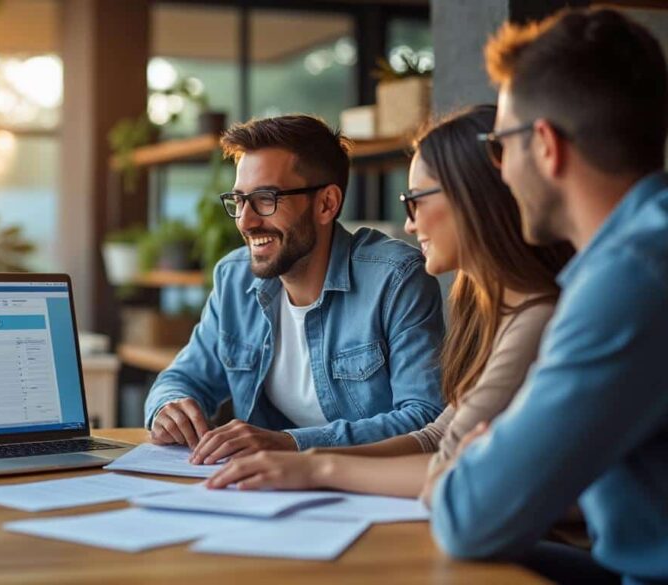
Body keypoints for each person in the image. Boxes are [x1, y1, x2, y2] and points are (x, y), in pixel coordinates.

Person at [206, 105, 574, 496]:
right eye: (240, 201)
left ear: (473, 200)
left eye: (416, 200)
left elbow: (451, 475)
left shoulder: (536, 318)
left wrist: (316, 465)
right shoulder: (494, 315)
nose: (411, 224)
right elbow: (436, 437)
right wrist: (306, 460)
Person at [422, 9, 668, 583]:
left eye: (499, 146)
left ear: (545, 145)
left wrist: (471, 463)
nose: (500, 172)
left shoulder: (629, 279)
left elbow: (470, 515)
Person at [144, 114, 446, 462]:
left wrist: (289, 444)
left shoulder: (395, 279)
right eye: (239, 200)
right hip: (271, 491)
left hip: (368, 490)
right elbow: (183, 377)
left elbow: (424, 419)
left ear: (326, 204)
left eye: (266, 199)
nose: (245, 220)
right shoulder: (233, 278)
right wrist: (169, 406)